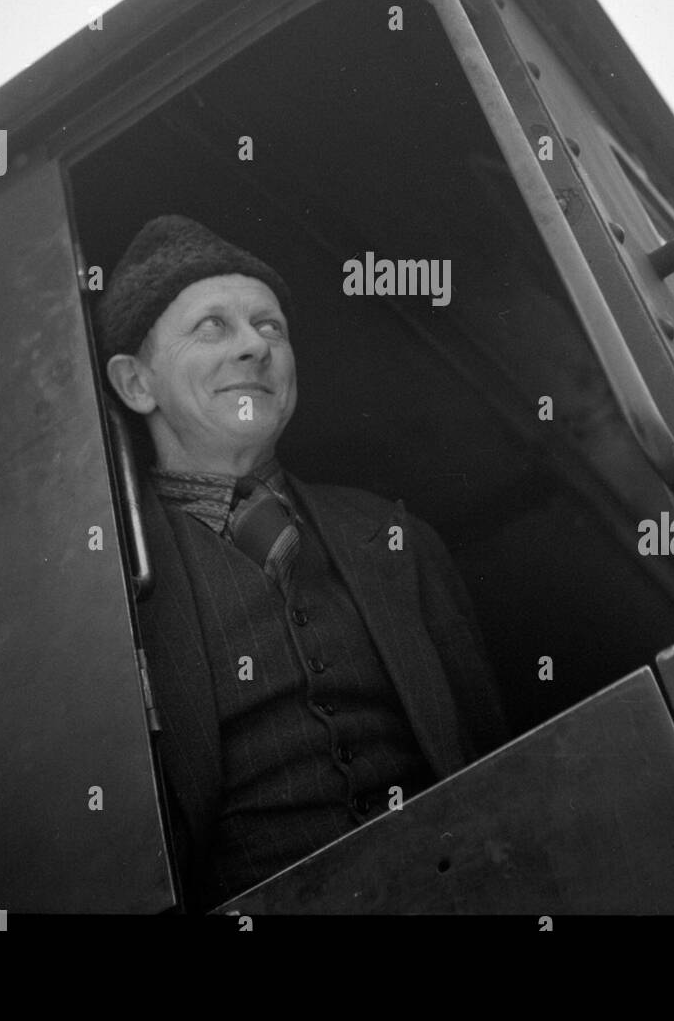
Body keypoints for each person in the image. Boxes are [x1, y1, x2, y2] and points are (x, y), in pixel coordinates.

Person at [98, 215, 509, 911]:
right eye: (212, 328)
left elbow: (490, 752)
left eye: (270, 327)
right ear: (137, 384)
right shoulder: (105, 586)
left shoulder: (393, 535)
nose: (254, 348)